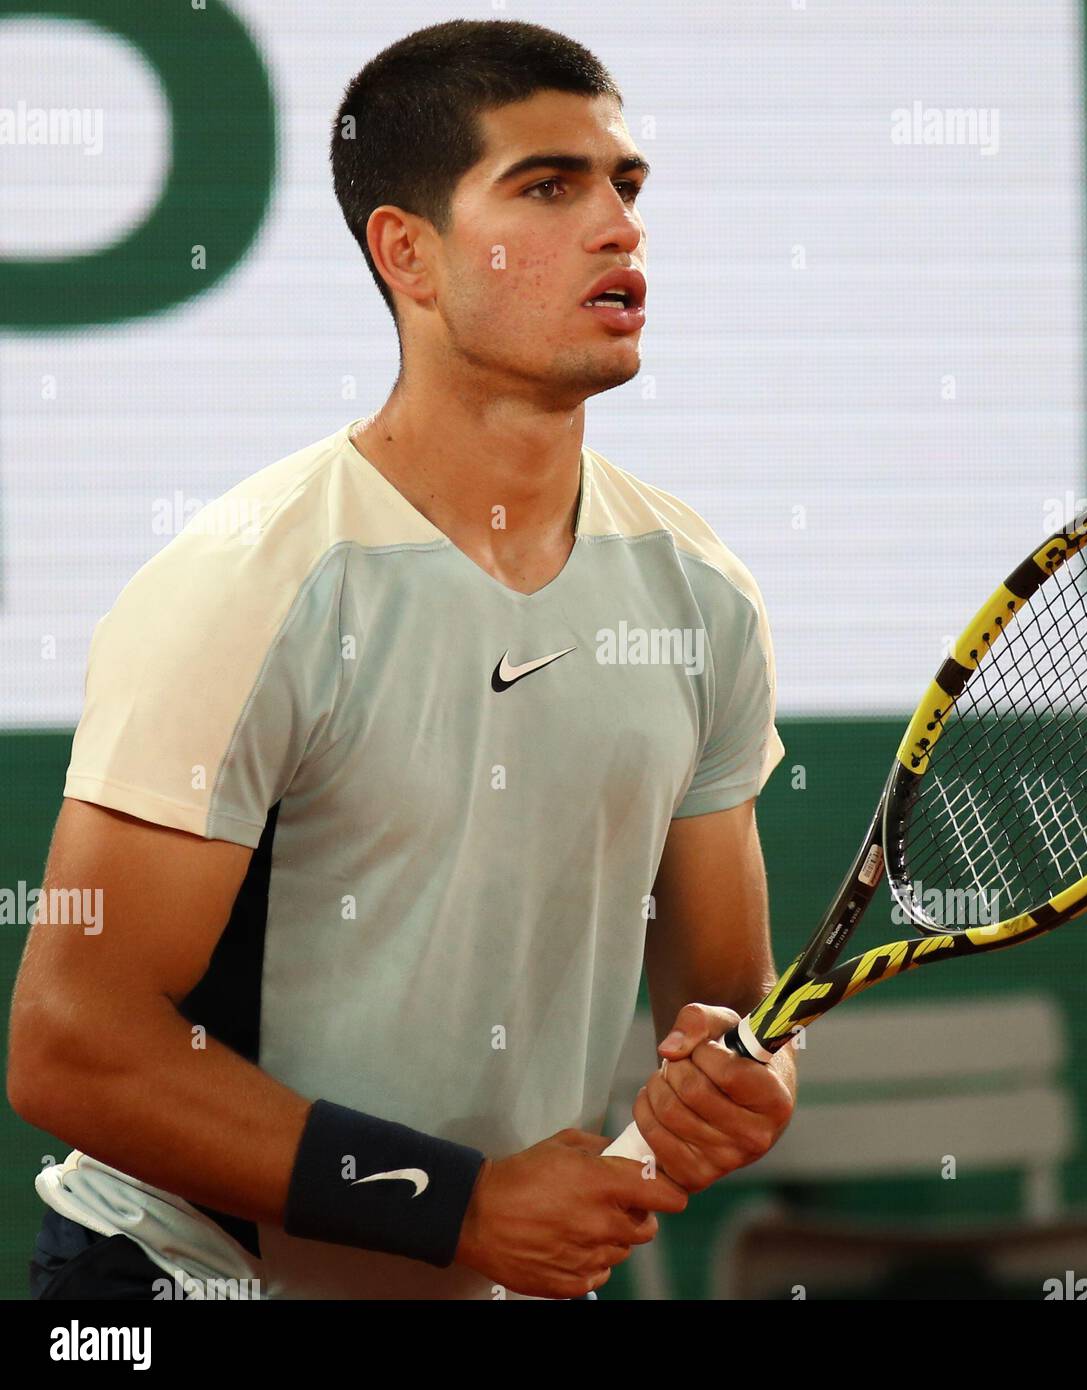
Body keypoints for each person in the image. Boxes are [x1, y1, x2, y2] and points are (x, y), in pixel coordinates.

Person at [8, 18, 795, 1301]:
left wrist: (747, 1082)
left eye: (625, 184)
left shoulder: (698, 594)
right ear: (407, 253)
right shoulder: (247, 584)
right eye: (547, 186)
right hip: (178, 1283)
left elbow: (726, 1000)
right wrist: (463, 1208)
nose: (617, 225)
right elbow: (70, 1047)